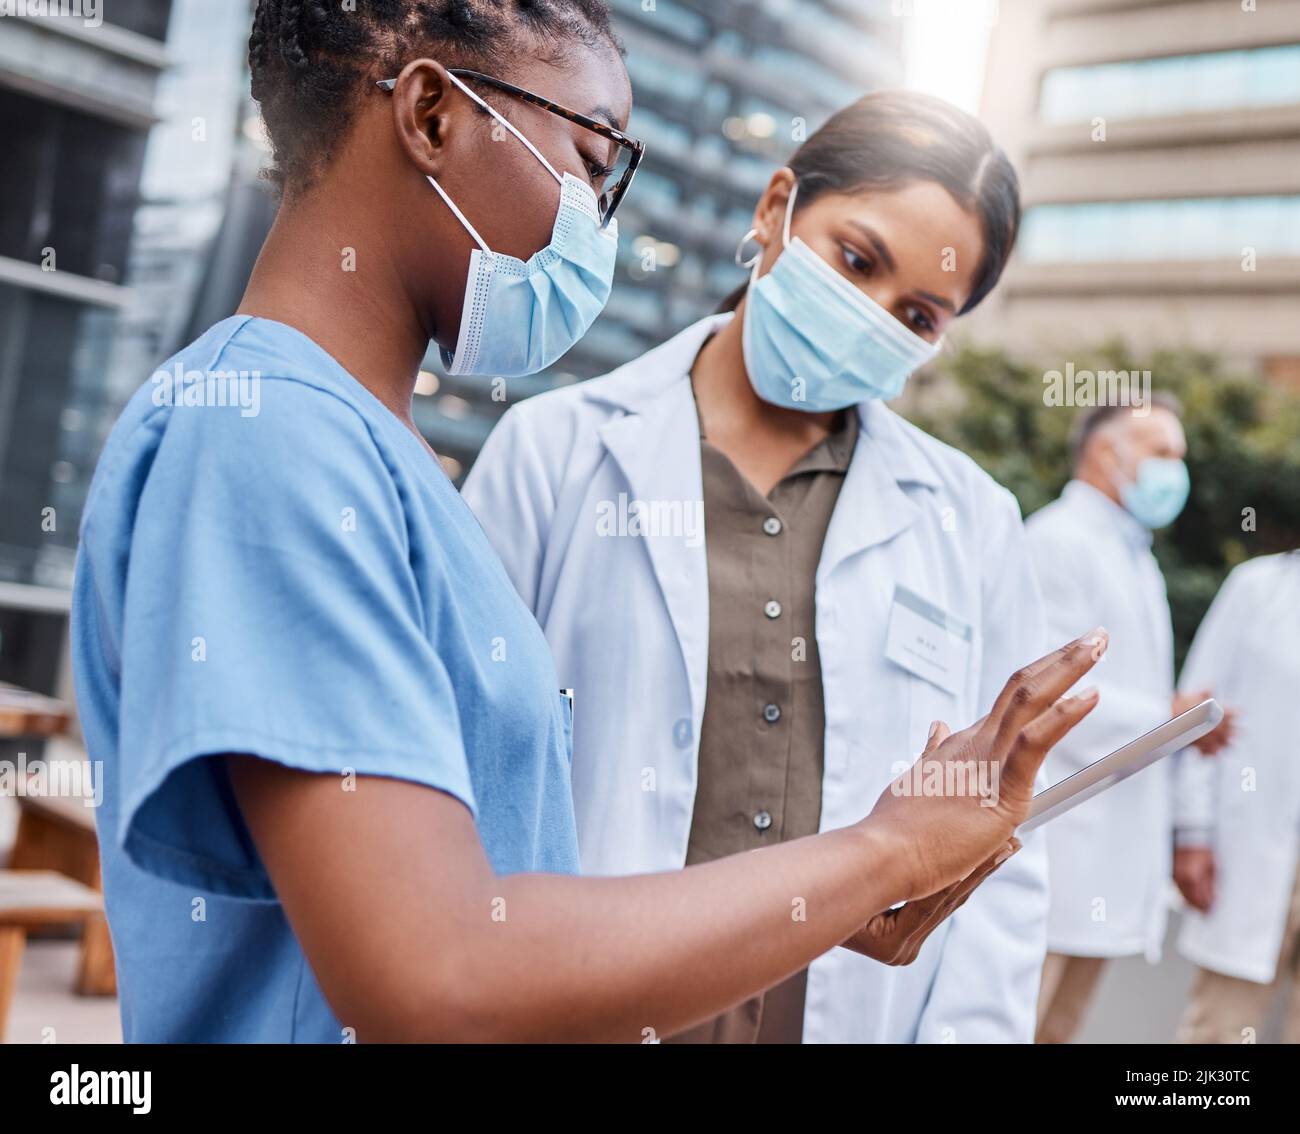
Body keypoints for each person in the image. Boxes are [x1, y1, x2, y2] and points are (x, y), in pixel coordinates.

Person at [68, 0, 1104, 1043]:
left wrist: (841, 896)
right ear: (430, 113)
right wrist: (883, 852)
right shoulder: (265, 437)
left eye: (920, 315)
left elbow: (488, 876)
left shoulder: (375, 457)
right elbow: (439, 970)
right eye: (591, 159)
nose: (594, 223)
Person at [465, 91, 1056, 1043]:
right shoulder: (556, 453)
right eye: (856, 261)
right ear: (775, 208)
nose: (872, 317)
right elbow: (466, 772)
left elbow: (1001, 854)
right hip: (578, 1012)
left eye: (917, 312)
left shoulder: (972, 520)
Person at [1026, 396, 1229, 1044]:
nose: (1175, 471)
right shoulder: (1055, 541)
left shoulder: (1134, 556)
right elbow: (1044, 692)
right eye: (1161, 452)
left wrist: (1177, 727)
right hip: (1055, 849)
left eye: (1180, 456)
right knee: (1014, 1027)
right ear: (1104, 453)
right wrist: (1171, 720)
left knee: (1057, 1032)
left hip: (1110, 853)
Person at [1173, 551, 1299, 1043]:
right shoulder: (1257, 588)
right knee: (1222, 1032)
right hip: (1256, 848)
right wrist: (1193, 832)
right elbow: (1199, 714)